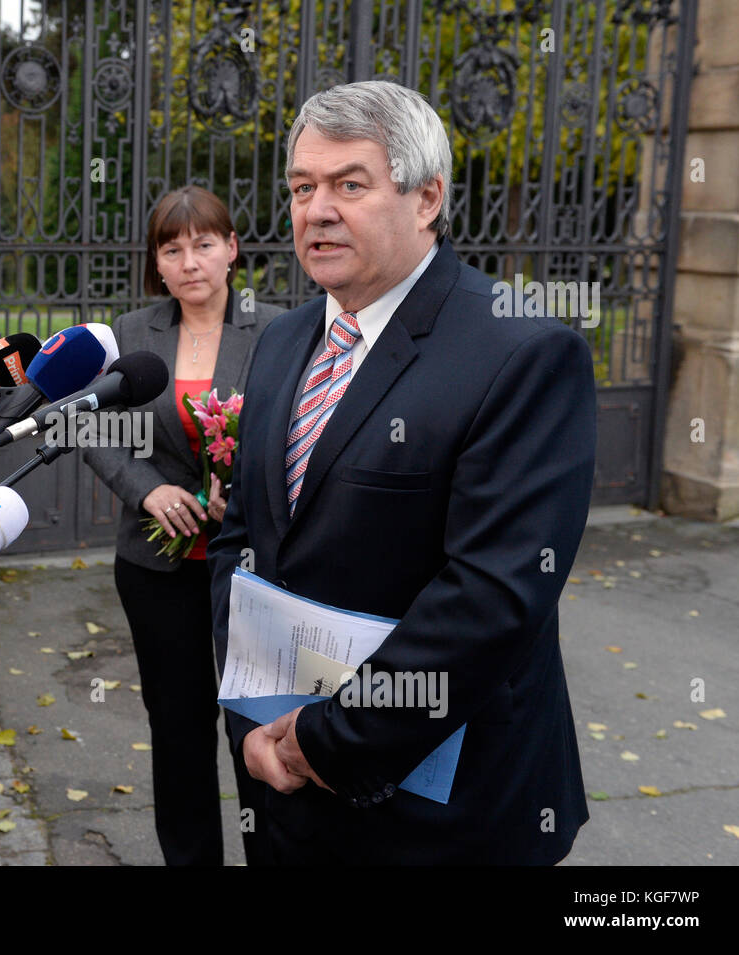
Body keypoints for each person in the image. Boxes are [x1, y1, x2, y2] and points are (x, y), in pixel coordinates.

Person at [206, 80, 596, 864]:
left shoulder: (521, 352)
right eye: (302, 187)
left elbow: (490, 598)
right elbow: (241, 539)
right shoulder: (281, 341)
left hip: (443, 814)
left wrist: (327, 741)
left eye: (351, 184)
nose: (317, 209)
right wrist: (252, 721)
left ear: (427, 200)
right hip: (282, 791)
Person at [83, 186, 284, 865]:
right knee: (178, 727)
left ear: (232, 248)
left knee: (260, 724)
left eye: (204, 243)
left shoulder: (283, 329)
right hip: (156, 567)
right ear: (157, 264)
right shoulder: (133, 336)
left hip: (256, 568)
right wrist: (150, 490)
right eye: (173, 249)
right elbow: (95, 428)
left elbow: (307, 435)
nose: (190, 260)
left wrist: (250, 498)